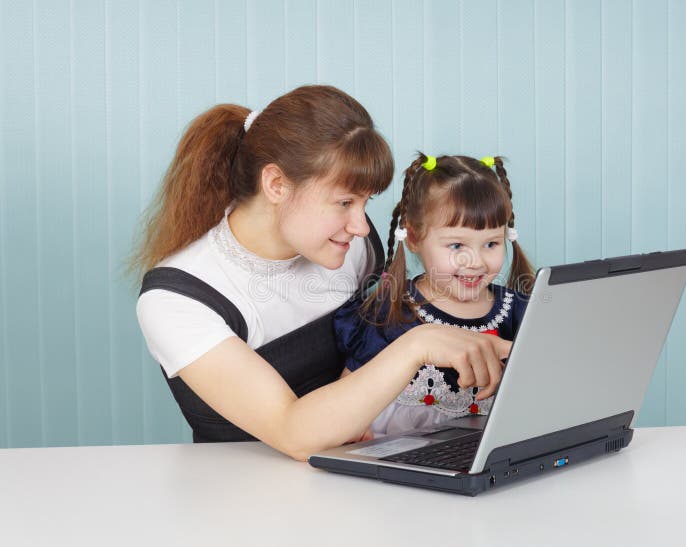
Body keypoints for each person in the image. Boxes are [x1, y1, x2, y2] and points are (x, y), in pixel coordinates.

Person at [132, 85, 511, 460]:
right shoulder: (178, 298)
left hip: (355, 477)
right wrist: (418, 344)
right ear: (276, 184)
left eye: (364, 202)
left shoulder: (351, 247)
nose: (362, 226)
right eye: (344, 202)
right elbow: (292, 431)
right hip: (242, 494)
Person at [334, 153, 536, 437]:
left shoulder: (519, 311)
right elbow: (346, 400)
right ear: (415, 238)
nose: (475, 261)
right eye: (456, 246)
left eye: (491, 243)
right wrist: (354, 430)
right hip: (402, 458)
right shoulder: (391, 313)